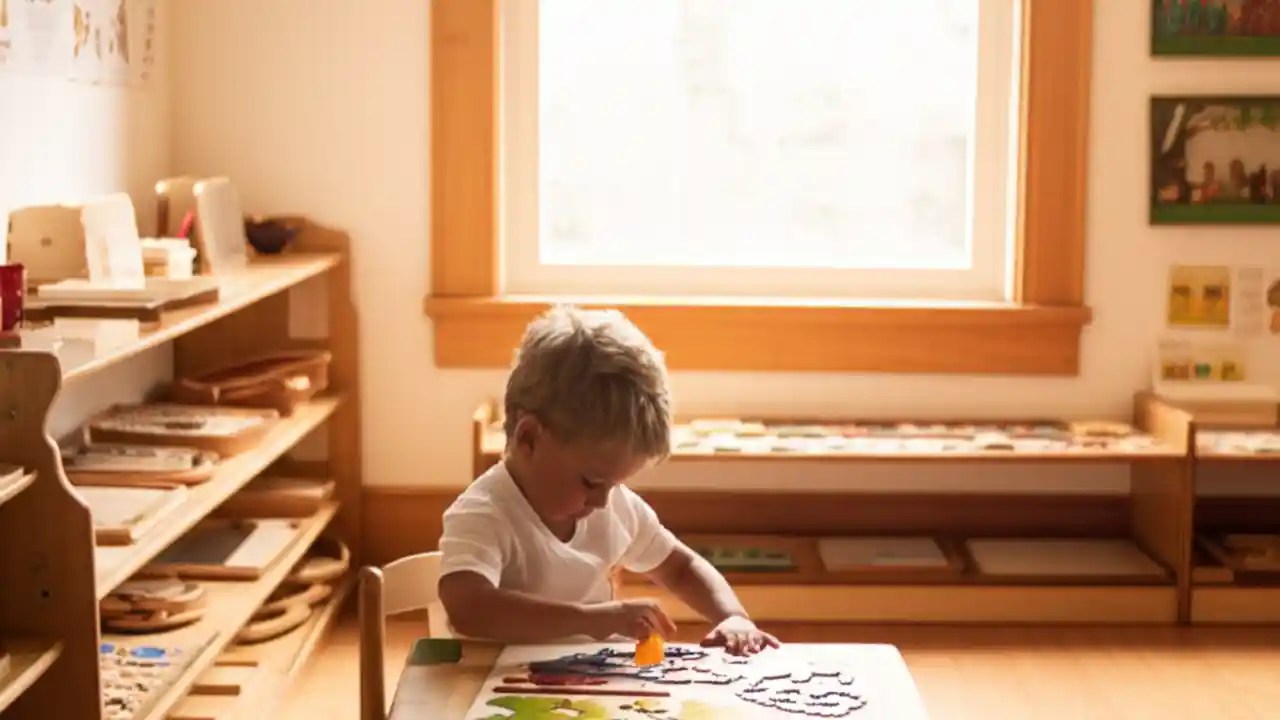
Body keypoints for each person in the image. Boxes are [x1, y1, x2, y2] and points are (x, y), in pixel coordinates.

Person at [437, 305, 779, 655]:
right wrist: (590, 619)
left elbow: (681, 567)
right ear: (529, 440)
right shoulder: (483, 514)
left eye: (613, 485)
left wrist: (733, 616)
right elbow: (469, 609)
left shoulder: (615, 507)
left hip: (587, 686)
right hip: (492, 690)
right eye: (590, 481)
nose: (602, 501)